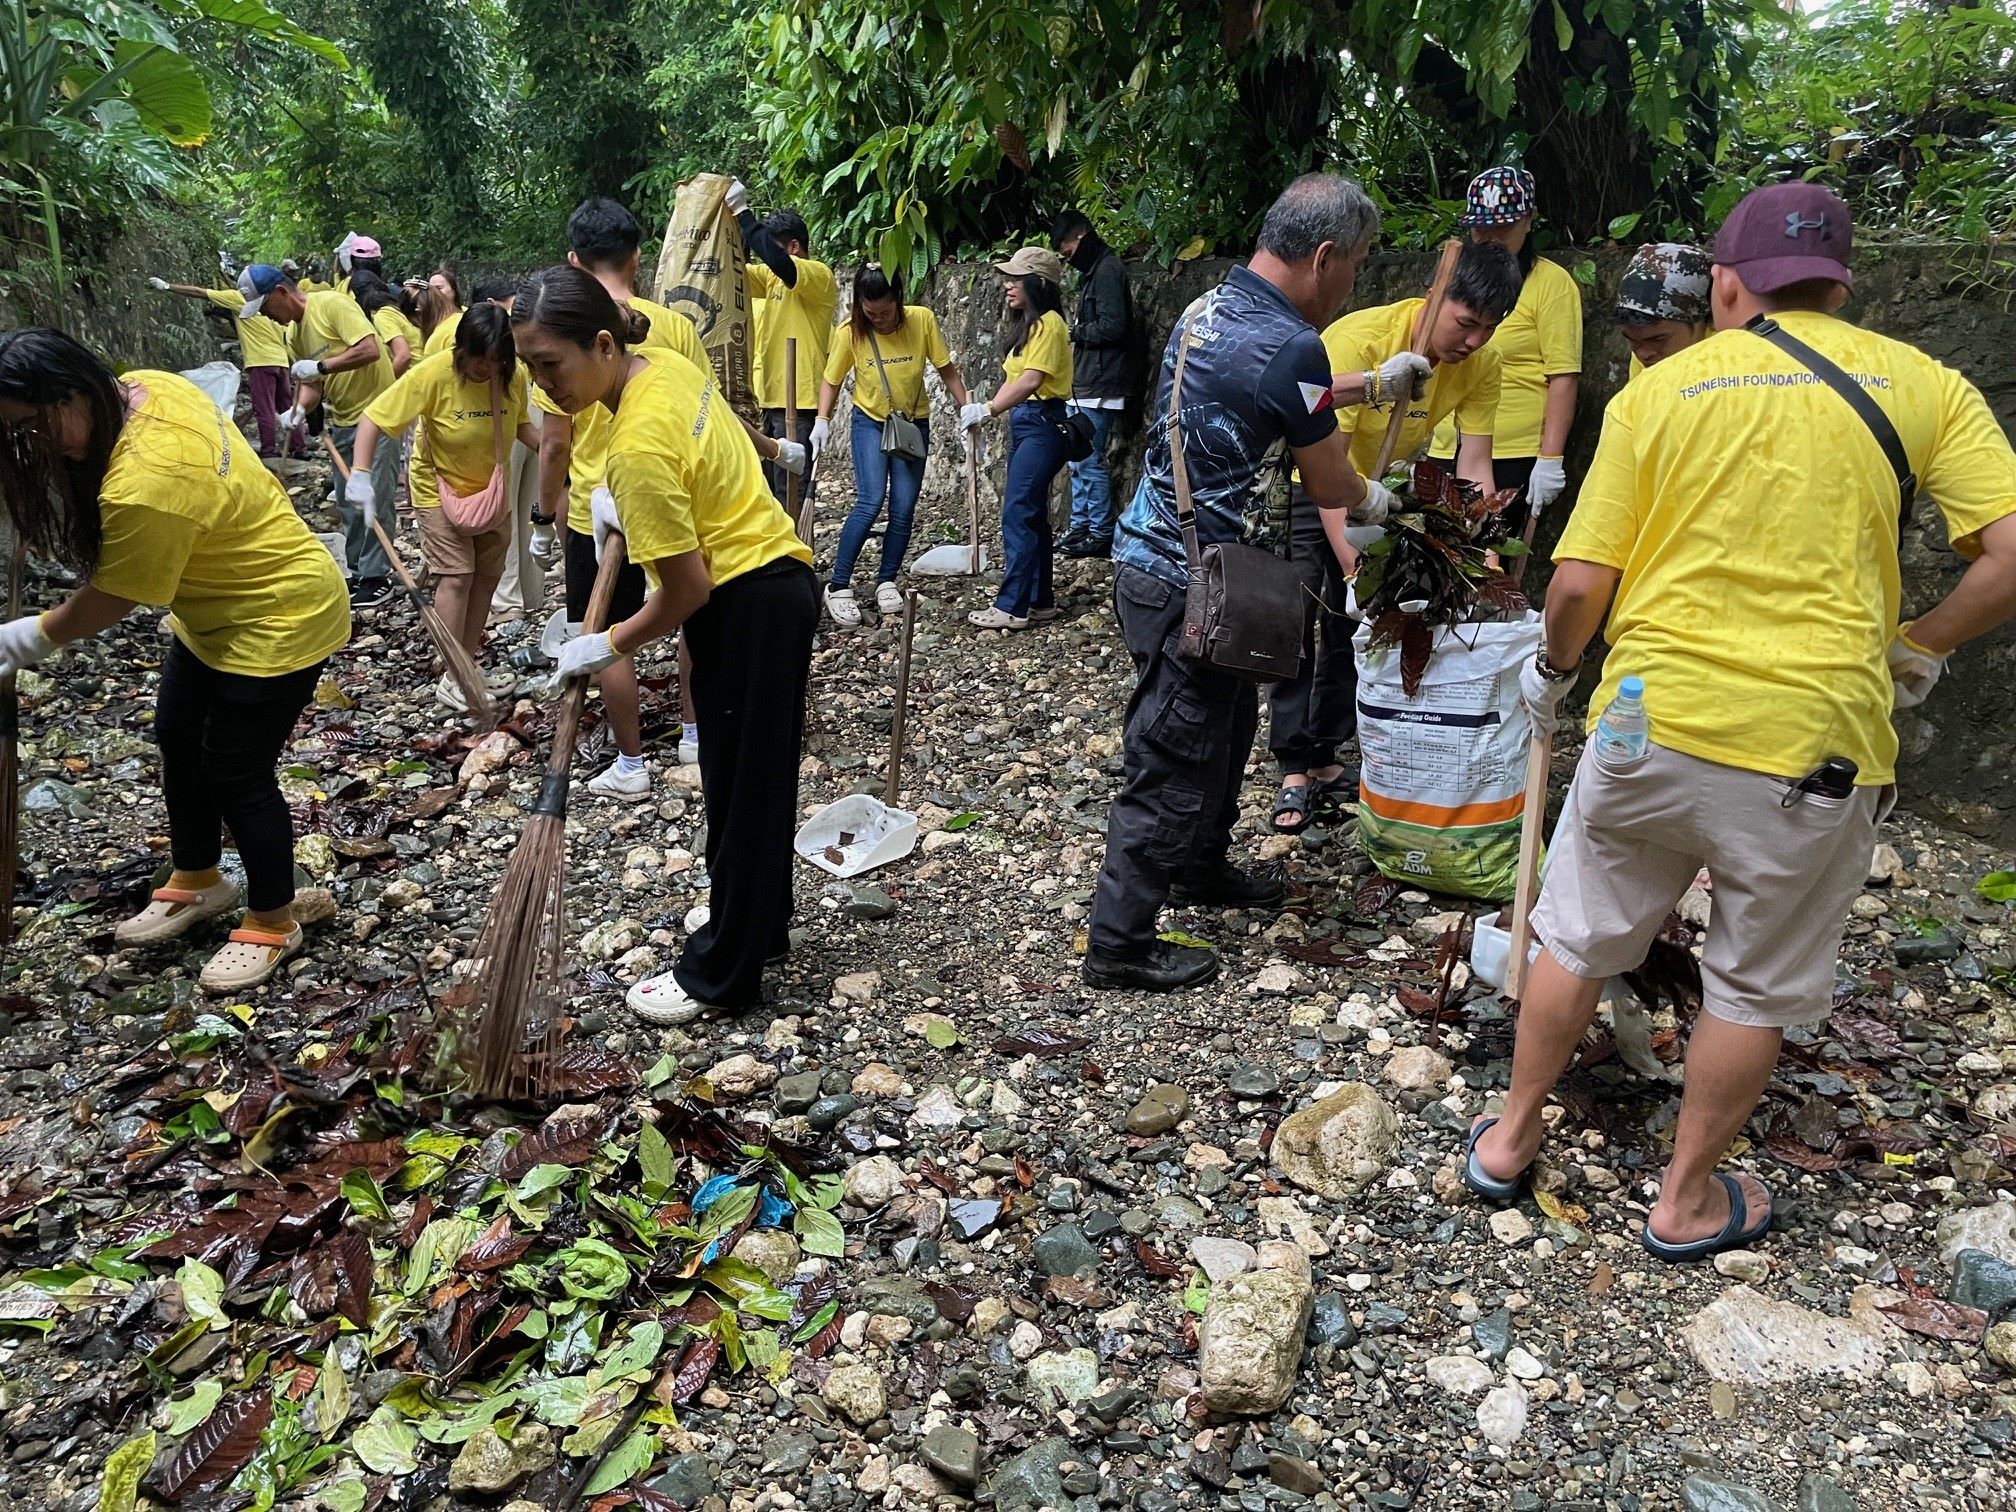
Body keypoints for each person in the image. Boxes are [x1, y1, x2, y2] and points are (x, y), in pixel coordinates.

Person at [1480, 183, 2016, 1261]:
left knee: (1576, 933)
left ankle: (1506, 1139)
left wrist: (1552, 669)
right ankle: (1682, 1202)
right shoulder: (1926, 387)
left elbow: (1579, 581)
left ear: (1726, 283)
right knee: (1751, 985)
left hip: (1651, 725)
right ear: (1843, 280)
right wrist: (1919, 645)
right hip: (1812, 751)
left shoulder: (1663, 391)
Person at [1088, 174, 1394, 991]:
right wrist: (1376, 497)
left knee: (1220, 728)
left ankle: (1200, 866)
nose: (1355, 282)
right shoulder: (1294, 342)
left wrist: (1374, 386)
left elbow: (1268, 396)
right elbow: (1331, 483)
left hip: (1156, 562)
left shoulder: (1206, 307)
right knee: (1173, 751)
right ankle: (1117, 943)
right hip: (1198, 580)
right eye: (1357, 266)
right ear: (1324, 258)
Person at [0, 330, 350, 991]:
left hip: (283, 612)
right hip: (212, 611)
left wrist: (26, 637)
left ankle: (275, 920)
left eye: (31, 426)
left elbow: (114, 597)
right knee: (178, 736)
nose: (33, 445)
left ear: (72, 395)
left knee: (237, 770)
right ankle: (197, 879)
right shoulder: (148, 386)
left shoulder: (146, 483)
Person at [514, 265, 818, 1027]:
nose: (543, 385)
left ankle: (724, 973)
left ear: (605, 344)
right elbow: (713, 460)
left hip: (745, 604)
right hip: (778, 586)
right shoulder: (667, 370)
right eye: (529, 368)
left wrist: (605, 644)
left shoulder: (636, 445)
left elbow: (686, 594)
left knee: (742, 791)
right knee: (752, 781)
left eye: (551, 364)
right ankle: (760, 925)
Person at [1266, 239, 1523, 834]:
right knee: (1308, 609)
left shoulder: (1483, 363)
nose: (1474, 341)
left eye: (1490, 328)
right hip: (1313, 477)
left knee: (1354, 629)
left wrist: (1479, 554)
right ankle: (1293, 766)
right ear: (1435, 296)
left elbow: (1475, 463)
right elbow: (1324, 467)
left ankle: (1328, 755)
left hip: (1385, 492)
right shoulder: (1359, 341)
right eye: (1465, 323)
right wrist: (1356, 570)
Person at [533, 195, 726, 795]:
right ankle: (695, 736)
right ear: (637, 257)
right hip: (673, 495)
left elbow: (555, 446)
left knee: (606, 633)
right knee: (687, 606)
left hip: (601, 506)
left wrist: (544, 520)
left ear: (573, 262)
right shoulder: (675, 326)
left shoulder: (556, 333)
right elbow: (706, 407)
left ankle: (632, 763)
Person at [353, 302, 537, 710]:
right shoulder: (434, 373)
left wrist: (567, 456)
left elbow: (522, 426)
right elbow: (374, 419)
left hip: (491, 491)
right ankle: (452, 675)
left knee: (487, 576)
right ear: (460, 350)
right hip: (438, 488)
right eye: (477, 358)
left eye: (495, 360)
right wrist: (360, 473)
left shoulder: (515, 376)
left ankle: (464, 665)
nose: (484, 368)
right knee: (456, 578)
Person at [813, 266, 975, 626]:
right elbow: (831, 380)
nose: (880, 320)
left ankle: (886, 579)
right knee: (870, 500)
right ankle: (839, 585)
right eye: (871, 313)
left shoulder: (922, 321)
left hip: (911, 424)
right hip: (870, 420)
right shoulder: (850, 332)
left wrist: (968, 410)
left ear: (899, 300)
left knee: (903, 506)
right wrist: (822, 420)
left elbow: (947, 370)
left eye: (885, 312)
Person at [1434, 166, 1582, 527]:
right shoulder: (1453, 272)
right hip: (1444, 443)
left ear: (1529, 220)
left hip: (1511, 450)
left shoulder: (1551, 284)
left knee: (1492, 552)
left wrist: (1550, 458)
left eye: (1503, 226)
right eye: (1481, 226)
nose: (1490, 237)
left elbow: (1563, 374)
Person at [242, 264, 398, 607]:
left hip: (379, 412)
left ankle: (377, 575)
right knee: (347, 501)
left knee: (374, 496)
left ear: (282, 293)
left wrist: (322, 366)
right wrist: (297, 410)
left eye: (267, 308)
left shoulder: (331, 305)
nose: (269, 317)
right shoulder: (293, 334)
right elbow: (313, 386)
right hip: (343, 418)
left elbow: (370, 349)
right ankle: (358, 571)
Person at [960, 247, 1073, 631]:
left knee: (1018, 510)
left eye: (1016, 278)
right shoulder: (1030, 326)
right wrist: (986, 414)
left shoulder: (1050, 325)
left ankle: (1013, 605)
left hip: (1043, 423)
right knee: (1032, 512)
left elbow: (1031, 380)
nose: (1008, 284)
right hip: (1026, 423)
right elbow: (1015, 378)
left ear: (1038, 284)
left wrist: (988, 409)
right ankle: (1039, 599)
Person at [728, 183, 838, 508]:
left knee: (790, 489)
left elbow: (781, 265)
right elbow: (737, 273)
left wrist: (745, 215)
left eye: (774, 249)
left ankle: (793, 556)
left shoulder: (818, 275)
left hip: (800, 401)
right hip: (769, 398)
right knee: (764, 488)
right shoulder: (772, 277)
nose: (769, 256)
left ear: (793, 246)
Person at [145, 271, 301, 459]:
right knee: (288, 406)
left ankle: (268, 450)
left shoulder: (238, 298)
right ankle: (299, 447)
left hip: (259, 362)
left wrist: (168, 286)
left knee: (264, 408)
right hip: (281, 361)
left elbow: (201, 292)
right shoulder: (278, 311)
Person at [1051, 209, 1134, 558]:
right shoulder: (1097, 272)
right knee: (1077, 458)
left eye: (1068, 252)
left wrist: (1074, 331)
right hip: (1088, 383)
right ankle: (1081, 526)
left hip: (1100, 385)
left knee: (1088, 459)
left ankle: (1099, 530)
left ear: (1082, 236)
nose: (1068, 260)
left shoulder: (1108, 271)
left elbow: (1114, 326)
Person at [1614, 242, 1712, 373]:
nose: (1643, 354)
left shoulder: (1733, 359)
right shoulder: (1645, 356)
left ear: (1700, 321)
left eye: (1658, 339)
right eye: (1632, 340)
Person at [352, 270, 423, 378]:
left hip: (415, 377)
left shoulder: (383, 316)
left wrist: (386, 386)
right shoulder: (394, 307)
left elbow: (403, 356)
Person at [422, 268, 465, 356]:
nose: (434, 293)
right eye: (430, 289)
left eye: (439, 288)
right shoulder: (424, 317)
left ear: (454, 291)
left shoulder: (466, 315)